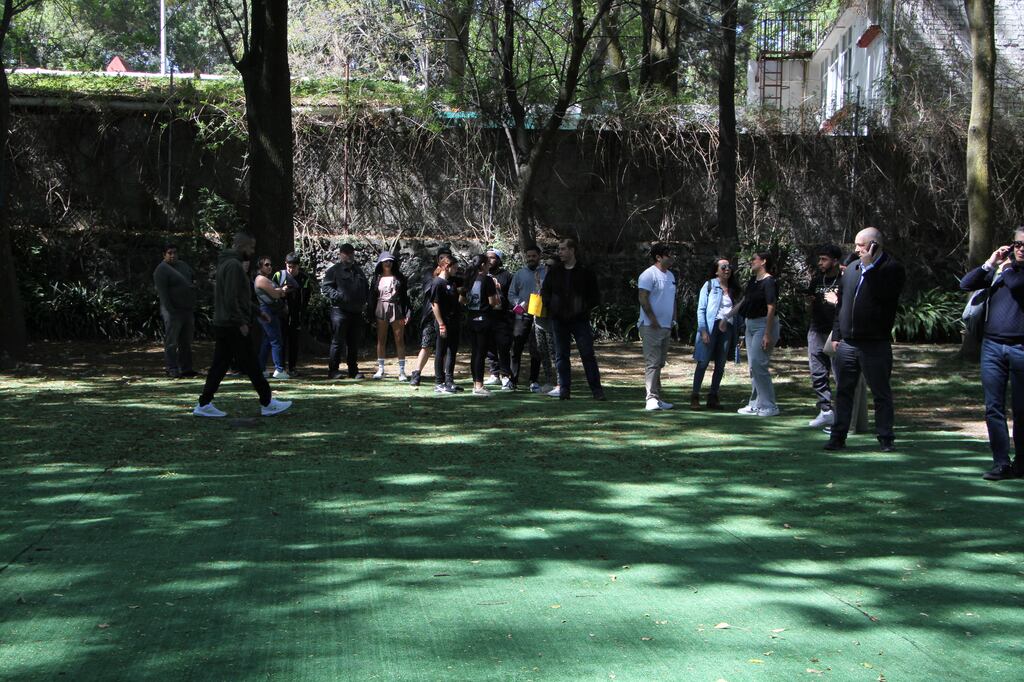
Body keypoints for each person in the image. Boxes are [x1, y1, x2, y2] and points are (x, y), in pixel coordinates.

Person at [825, 227, 906, 451]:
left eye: (861, 245)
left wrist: (870, 267)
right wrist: (837, 334)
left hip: (875, 344)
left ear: (874, 245)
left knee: (880, 393)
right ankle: (837, 436)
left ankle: (885, 438)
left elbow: (884, 295)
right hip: (847, 343)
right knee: (843, 392)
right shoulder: (851, 269)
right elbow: (841, 304)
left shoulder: (892, 269)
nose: (856, 250)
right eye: (856, 245)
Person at [193, 233, 291, 417]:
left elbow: (239, 297)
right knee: (251, 364)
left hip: (225, 322)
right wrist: (241, 322)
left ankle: (204, 403)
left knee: (221, 365)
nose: (252, 252)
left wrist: (257, 312)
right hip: (232, 324)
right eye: (251, 248)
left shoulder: (227, 264)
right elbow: (232, 298)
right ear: (242, 246)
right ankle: (267, 402)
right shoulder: (233, 266)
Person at [959, 229, 1024, 480]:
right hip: (992, 347)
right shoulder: (1000, 270)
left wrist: (1005, 269)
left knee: (1021, 409)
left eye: (1023, 245)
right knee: (994, 407)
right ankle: (1001, 462)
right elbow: (966, 283)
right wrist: (990, 263)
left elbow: (1018, 286)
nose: (1020, 249)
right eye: (1016, 244)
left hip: (1020, 348)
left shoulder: (1010, 273)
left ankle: (1021, 462)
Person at [540, 238, 605, 401]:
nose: (559, 252)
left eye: (563, 249)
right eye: (559, 249)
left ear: (572, 250)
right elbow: (545, 292)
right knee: (561, 355)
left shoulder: (585, 271)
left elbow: (594, 295)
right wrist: (551, 306)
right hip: (559, 320)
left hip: (580, 320)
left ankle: (596, 390)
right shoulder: (554, 271)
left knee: (587, 354)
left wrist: (582, 308)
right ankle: (564, 389)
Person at [735, 251, 781, 417]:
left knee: (758, 363)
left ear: (763, 261)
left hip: (764, 324)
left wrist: (767, 333)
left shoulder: (769, 282)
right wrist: (727, 317)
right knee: (753, 366)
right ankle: (755, 403)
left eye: (754, 259)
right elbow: (744, 301)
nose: (751, 262)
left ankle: (770, 405)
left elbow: (771, 307)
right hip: (750, 324)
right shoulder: (753, 282)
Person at [692, 256, 740, 410]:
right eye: (723, 267)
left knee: (720, 364)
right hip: (711, 327)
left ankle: (713, 396)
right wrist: (703, 330)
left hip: (728, 329)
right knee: (703, 362)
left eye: (729, 267)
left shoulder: (734, 289)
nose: (727, 269)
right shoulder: (709, 286)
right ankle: (695, 395)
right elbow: (701, 309)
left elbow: (738, 311)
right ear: (716, 271)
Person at [805, 244, 843, 428]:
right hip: (816, 330)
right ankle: (826, 411)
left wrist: (836, 302)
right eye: (819, 259)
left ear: (835, 261)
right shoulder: (817, 280)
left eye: (824, 259)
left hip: (836, 333)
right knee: (818, 373)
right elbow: (811, 303)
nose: (820, 263)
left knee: (840, 374)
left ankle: (843, 414)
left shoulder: (844, 280)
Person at [507, 243, 554, 392]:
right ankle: (512, 380)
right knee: (516, 349)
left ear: (539, 256)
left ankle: (533, 381)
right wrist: (519, 305)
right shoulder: (519, 274)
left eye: (534, 256)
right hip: (522, 317)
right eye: (528, 256)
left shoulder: (546, 272)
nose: (531, 259)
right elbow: (511, 294)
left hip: (540, 317)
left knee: (537, 350)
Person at [637, 243, 677, 411]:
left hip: (666, 326)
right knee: (652, 362)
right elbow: (643, 298)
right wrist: (652, 319)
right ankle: (651, 398)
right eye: (668, 254)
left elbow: (673, 299)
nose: (672, 257)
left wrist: (674, 319)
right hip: (651, 326)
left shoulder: (671, 276)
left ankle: (657, 398)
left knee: (660, 363)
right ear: (658, 257)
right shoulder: (648, 275)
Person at [322, 243, 369, 380]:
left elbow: (365, 287)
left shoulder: (358, 271)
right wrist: (339, 297)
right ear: (340, 254)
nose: (349, 255)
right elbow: (326, 288)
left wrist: (364, 300)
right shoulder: (334, 271)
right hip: (339, 312)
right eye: (346, 253)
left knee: (353, 343)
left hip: (356, 312)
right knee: (337, 342)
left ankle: (353, 371)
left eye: (351, 253)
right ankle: (333, 371)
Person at [410, 246, 455, 388]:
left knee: (445, 348)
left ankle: (444, 377)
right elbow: (430, 293)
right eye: (442, 257)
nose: (444, 259)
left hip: (446, 316)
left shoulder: (452, 278)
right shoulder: (431, 276)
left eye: (447, 256)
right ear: (438, 259)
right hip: (431, 316)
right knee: (427, 345)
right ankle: (416, 373)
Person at [153, 243, 197, 379]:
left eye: (175, 253)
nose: (173, 255)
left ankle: (186, 368)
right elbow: (163, 293)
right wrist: (170, 310)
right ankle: (172, 368)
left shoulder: (183, 265)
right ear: (164, 255)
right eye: (169, 253)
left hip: (187, 309)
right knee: (171, 341)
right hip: (172, 310)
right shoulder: (161, 270)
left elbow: (192, 277)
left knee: (186, 340)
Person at [367, 251, 412, 381]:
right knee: (381, 339)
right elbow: (372, 297)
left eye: (390, 261)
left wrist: (407, 313)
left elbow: (405, 297)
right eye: (385, 261)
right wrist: (370, 313)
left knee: (399, 340)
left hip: (396, 308)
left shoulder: (399, 278)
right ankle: (381, 369)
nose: (388, 263)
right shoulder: (376, 278)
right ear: (381, 263)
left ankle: (402, 371)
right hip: (381, 308)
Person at [463, 254, 501, 396]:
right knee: (481, 353)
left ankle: (475, 384)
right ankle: (479, 386)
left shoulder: (468, 279)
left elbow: (462, 300)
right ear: (483, 265)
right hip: (484, 320)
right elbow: (493, 302)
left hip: (471, 319)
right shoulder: (488, 279)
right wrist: (496, 290)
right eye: (487, 263)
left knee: (475, 353)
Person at [272, 252, 313, 375]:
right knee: (281, 340)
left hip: (296, 314)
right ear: (286, 264)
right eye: (289, 266)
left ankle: (292, 367)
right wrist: (281, 292)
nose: (291, 269)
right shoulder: (279, 275)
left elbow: (306, 297)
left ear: (298, 266)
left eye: (293, 266)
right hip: (281, 313)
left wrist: (302, 314)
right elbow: (272, 292)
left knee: (294, 341)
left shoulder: (304, 278)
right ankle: (280, 367)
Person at [428, 254, 461, 394]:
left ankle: (449, 381)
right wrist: (441, 324)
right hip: (443, 322)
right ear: (447, 267)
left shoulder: (451, 282)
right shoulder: (437, 283)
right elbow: (434, 304)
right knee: (440, 351)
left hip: (454, 321)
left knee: (452, 351)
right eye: (455, 267)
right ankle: (439, 382)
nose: (457, 270)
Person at [254, 256, 290, 379]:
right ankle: (279, 369)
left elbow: (279, 294)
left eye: (270, 265)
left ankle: (260, 368)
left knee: (267, 342)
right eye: (266, 265)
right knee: (276, 340)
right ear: (260, 266)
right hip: (267, 311)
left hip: (272, 311)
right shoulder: (260, 279)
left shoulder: (267, 279)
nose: (269, 267)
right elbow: (275, 295)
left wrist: (280, 291)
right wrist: (281, 290)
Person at [485, 248, 514, 389]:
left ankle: (505, 376)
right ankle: (494, 374)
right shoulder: (483, 275)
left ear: (499, 260)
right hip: (487, 316)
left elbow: (511, 296)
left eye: (493, 257)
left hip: (502, 317)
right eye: (487, 257)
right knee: (490, 347)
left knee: (503, 347)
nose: (490, 260)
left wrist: (498, 289)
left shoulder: (507, 276)